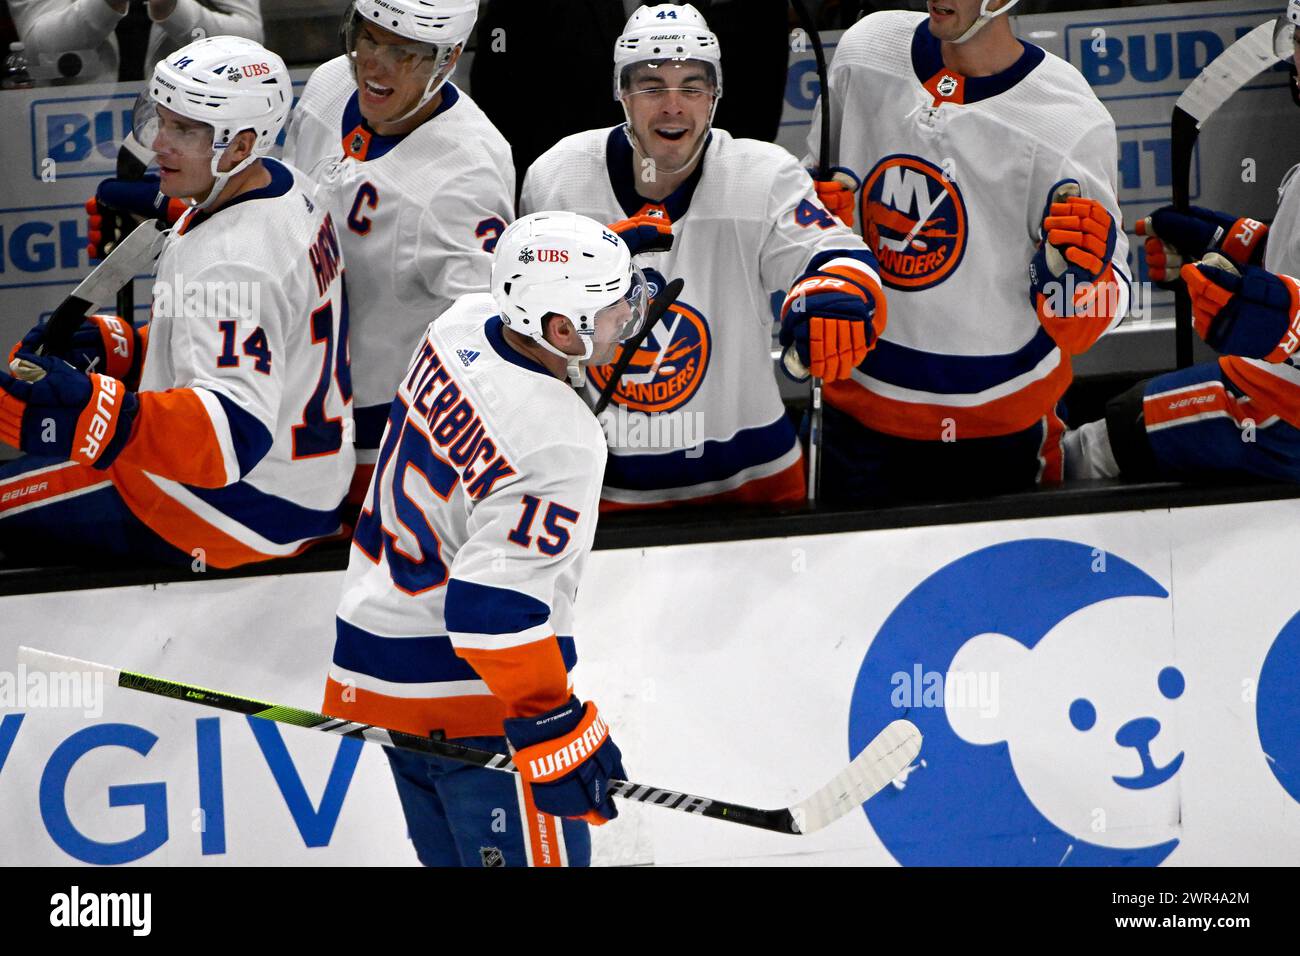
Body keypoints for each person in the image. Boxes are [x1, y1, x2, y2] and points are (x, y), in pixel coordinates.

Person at [323, 211, 646, 867]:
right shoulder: (561, 438)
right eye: (614, 307)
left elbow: (527, 279)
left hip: (379, 672)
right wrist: (551, 719)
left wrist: (590, 251)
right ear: (564, 329)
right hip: (472, 704)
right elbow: (489, 611)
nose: (630, 320)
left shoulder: (459, 323)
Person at [0, 36, 354, 569]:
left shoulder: (231, 257)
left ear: (241, 146)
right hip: (305, 485)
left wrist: (95, 415)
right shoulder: (287, 185)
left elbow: (234, 434)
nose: (159, 143)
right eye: (161, 120)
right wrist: (130, 348)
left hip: (232, 510)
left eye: (185, 130)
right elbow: (255, 341)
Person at [521, 2, 886, 509]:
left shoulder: (762, 176)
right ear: (620, 93)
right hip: (599, 492)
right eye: (651, 86)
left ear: (714, 95)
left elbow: (835, 255)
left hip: (753, 484)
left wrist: (836, 293)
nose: (673, 106)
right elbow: (519, 326)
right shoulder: (557, 179)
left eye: (692, 86)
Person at [805, 0, 1131, 500]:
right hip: (857, 418)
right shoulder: (866, 49)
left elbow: (1107, 299)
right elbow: (814, 194)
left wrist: (1083, 284)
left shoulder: (1067, 120)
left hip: (1003, 431)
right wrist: (813, 222)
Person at [281, 0, 514, 506]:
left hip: (381, 445)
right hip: (283, 404)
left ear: (447, 60)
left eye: (402, 52)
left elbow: (487, 341)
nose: (373, 63)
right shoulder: (327, 85)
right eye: (367, 37)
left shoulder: (466, 174)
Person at [1064, 2, 1300, 485]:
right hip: (1280, 384)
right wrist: (1228, 242)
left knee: (1105, 442)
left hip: (1289, 414)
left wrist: (1288, 316)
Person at [8, 0, 262, 84]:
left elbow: (251, 42)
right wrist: (106, 4)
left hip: (191, 123)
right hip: (75, 127)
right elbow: (39, 49)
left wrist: (172, 9)